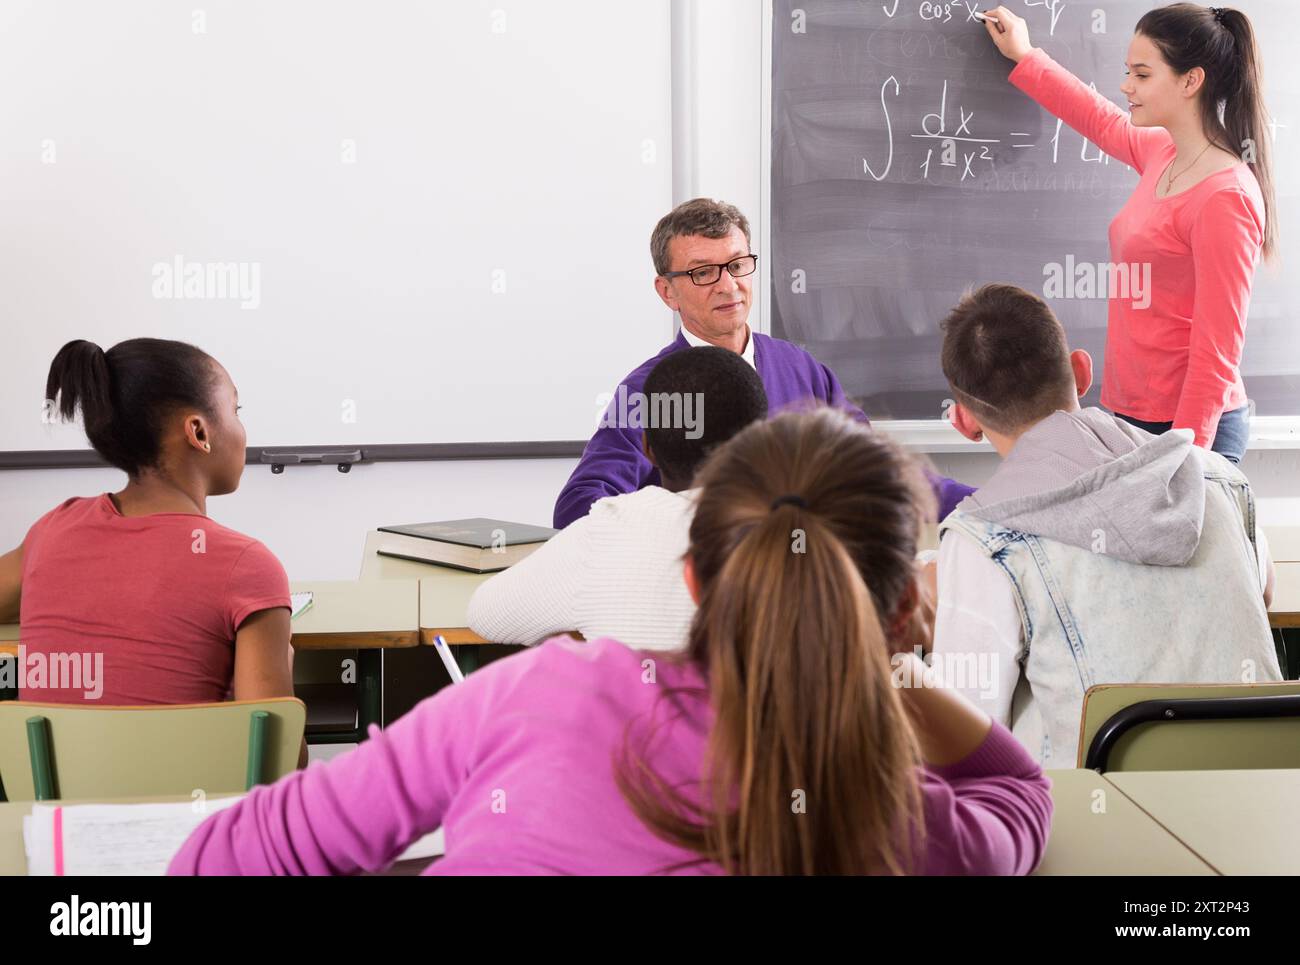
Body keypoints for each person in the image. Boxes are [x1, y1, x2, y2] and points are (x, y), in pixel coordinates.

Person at [170, 409, 1051, 876]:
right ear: (904, 612)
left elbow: (227, 855)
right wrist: (884, 659)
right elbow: (1017, 791)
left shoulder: (537, 696)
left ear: (695, 584)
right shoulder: (893, 820)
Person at [932, 283, 1280, 768]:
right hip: (1269, 806)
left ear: (965, 420)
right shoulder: (1217, 478)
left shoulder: (983, 541)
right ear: (1080, 370)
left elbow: (964, 735)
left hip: (1104, 829)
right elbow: (1261, 592)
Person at [553, 197, 973, 528]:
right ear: (667, 292)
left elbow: (876, 472)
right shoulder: (651, 390)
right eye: (703, 273)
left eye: (737, 265)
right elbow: (579, 508)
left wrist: (984, 507)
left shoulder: (803, 370)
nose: (728, 285)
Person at [982, 3, 1276, 462]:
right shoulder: (1165, 152)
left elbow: (1218, 349)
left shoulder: (1225, 197)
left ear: (1190, 81)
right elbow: (1101, 120)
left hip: (1186, 427)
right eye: (1128, 72)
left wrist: (1186, 454)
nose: (1126, 87)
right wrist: (1026, 55)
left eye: (1141, 75)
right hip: (1132, 413)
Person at [0, 339, 297, 737]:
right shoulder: (249, 567)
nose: (242, 428)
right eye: (236, 411)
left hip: (50, 800)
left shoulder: (50, 532)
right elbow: (278, 766)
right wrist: (285, 665)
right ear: (198, 431)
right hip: (195, 800)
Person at [469, 346, 767, 649]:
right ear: (762, 446)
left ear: (647, 447)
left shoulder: (604, 531)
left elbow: (485, 615)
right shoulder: (799, 529)